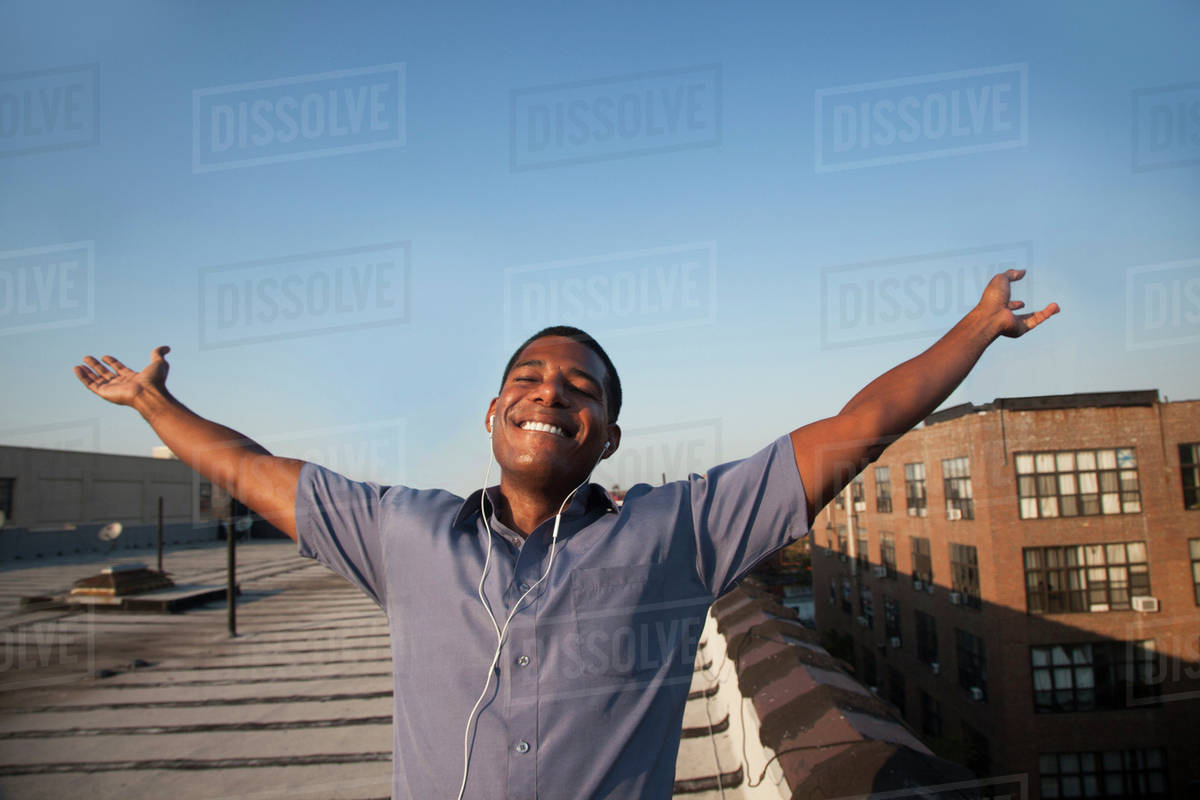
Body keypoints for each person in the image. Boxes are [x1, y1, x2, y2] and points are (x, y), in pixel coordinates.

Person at [74, 269, 1057, 799]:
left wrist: (975, 330)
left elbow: (857, 427)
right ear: (493, 413)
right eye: (530, 380)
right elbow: (249, 470)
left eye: (581, 388)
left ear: (608, 435)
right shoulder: (402, 532)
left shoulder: (681, 532)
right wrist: (154, 403)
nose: (551, 393)